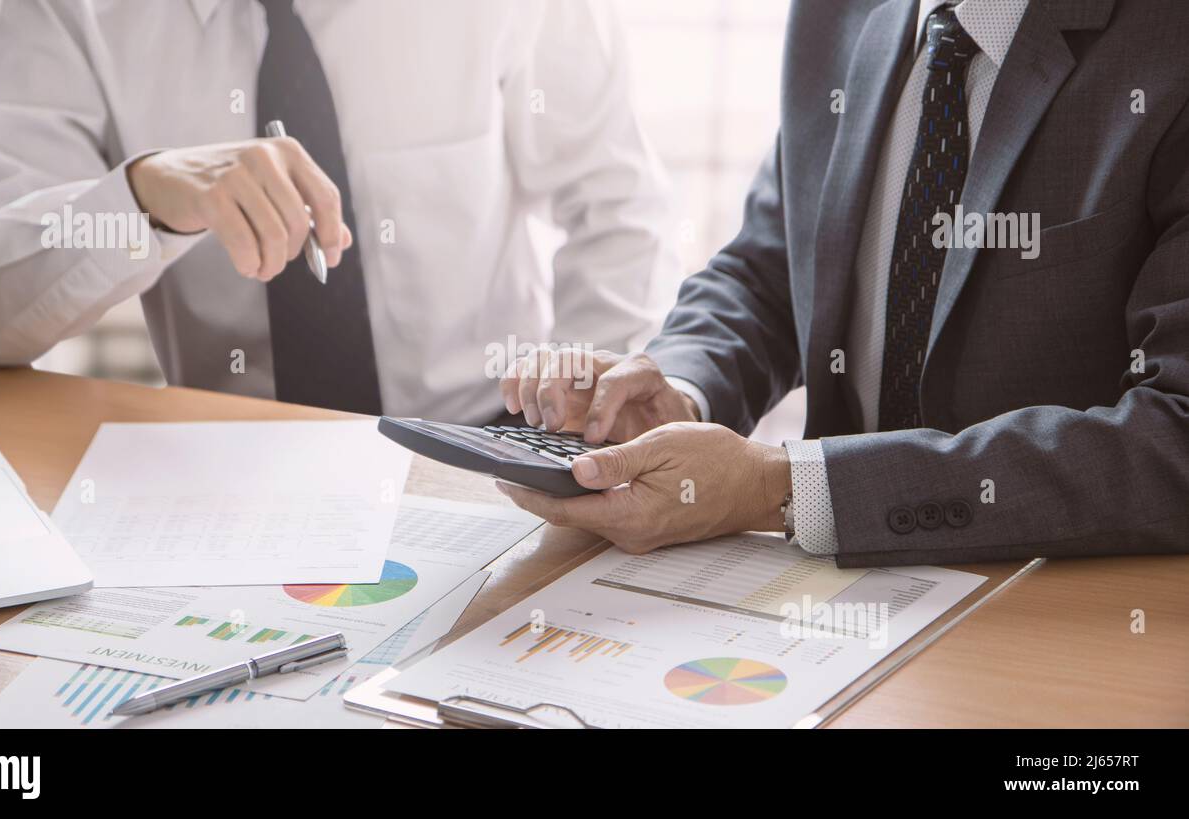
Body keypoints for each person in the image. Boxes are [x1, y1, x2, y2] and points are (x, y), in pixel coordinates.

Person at [499, 0, 1189, 567]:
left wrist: (783, 486)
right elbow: (773, 267)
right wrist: (679, 390)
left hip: (1052, 607)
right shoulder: (835, 16)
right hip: (826, 598)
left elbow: (1174, 436)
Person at [0, 0, 675, 423]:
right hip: (226, 460)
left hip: (486, 439)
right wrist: (141, 197)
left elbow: (619, 209)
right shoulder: (72, 11)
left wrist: (581, 419)